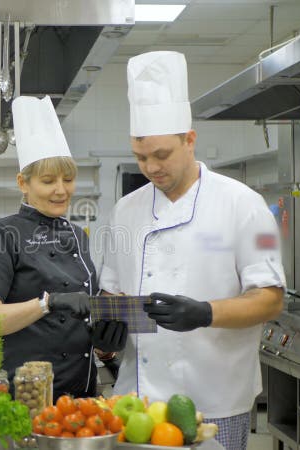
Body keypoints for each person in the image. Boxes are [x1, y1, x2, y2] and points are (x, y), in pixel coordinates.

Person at [98, 51, 285, 449]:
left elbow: (270, 299)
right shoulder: (125, 210)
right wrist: (106, 329)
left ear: (190, 139)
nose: (151, 167)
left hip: (213, 398)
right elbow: (112, 291)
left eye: (162, 155)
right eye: (141, 157)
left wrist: (205, 312)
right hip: (137, 400)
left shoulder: (244, 205)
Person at [0, 96, 128, 398]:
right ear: (23, 183)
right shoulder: (1, 235)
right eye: (48, 180)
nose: (61, 189)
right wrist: (47, 303)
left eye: (68, 179)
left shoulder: (78, 236)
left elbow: (78, 318)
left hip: (80, 396)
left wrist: (105, 344)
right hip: (24, 396)